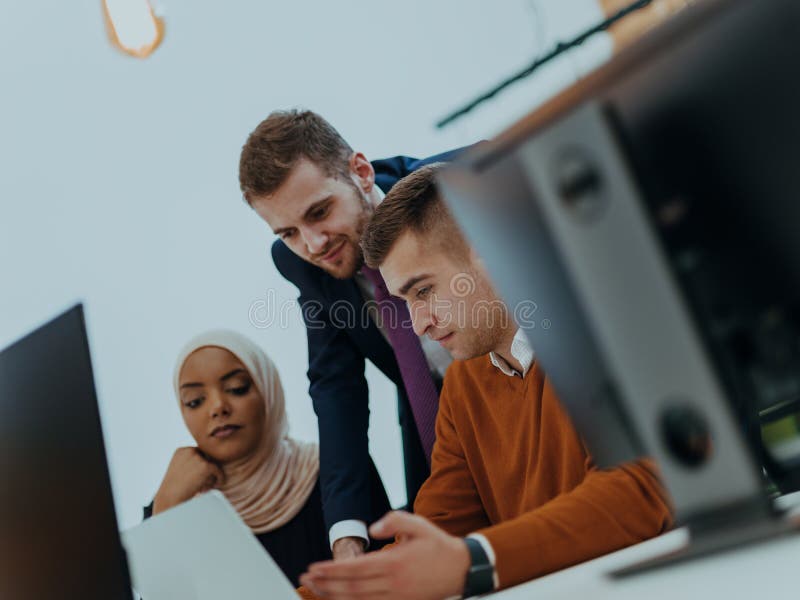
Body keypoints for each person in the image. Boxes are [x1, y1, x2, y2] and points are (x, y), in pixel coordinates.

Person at [298, 163, 673, 599]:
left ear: (487, 254)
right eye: (405, 301)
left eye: (424, 291)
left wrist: (473, 561)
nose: (417, 325)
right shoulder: (462, 386)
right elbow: (437, 531)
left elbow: (642, 493)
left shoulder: (600, 328)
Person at [238, 109, 469, 559]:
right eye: (288, 232)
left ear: (360, 172)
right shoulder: (302, 265)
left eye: (319, 212)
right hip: (438, 434)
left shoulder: (457, 185)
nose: (313, 244)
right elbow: (335, 391)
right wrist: (347, 539)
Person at [147, 330, 330, 586]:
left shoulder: (334, 473)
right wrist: (167, 509)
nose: (217, 407)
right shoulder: (171, 504)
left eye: (237, 388)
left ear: (268, 390)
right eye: (195, 401)